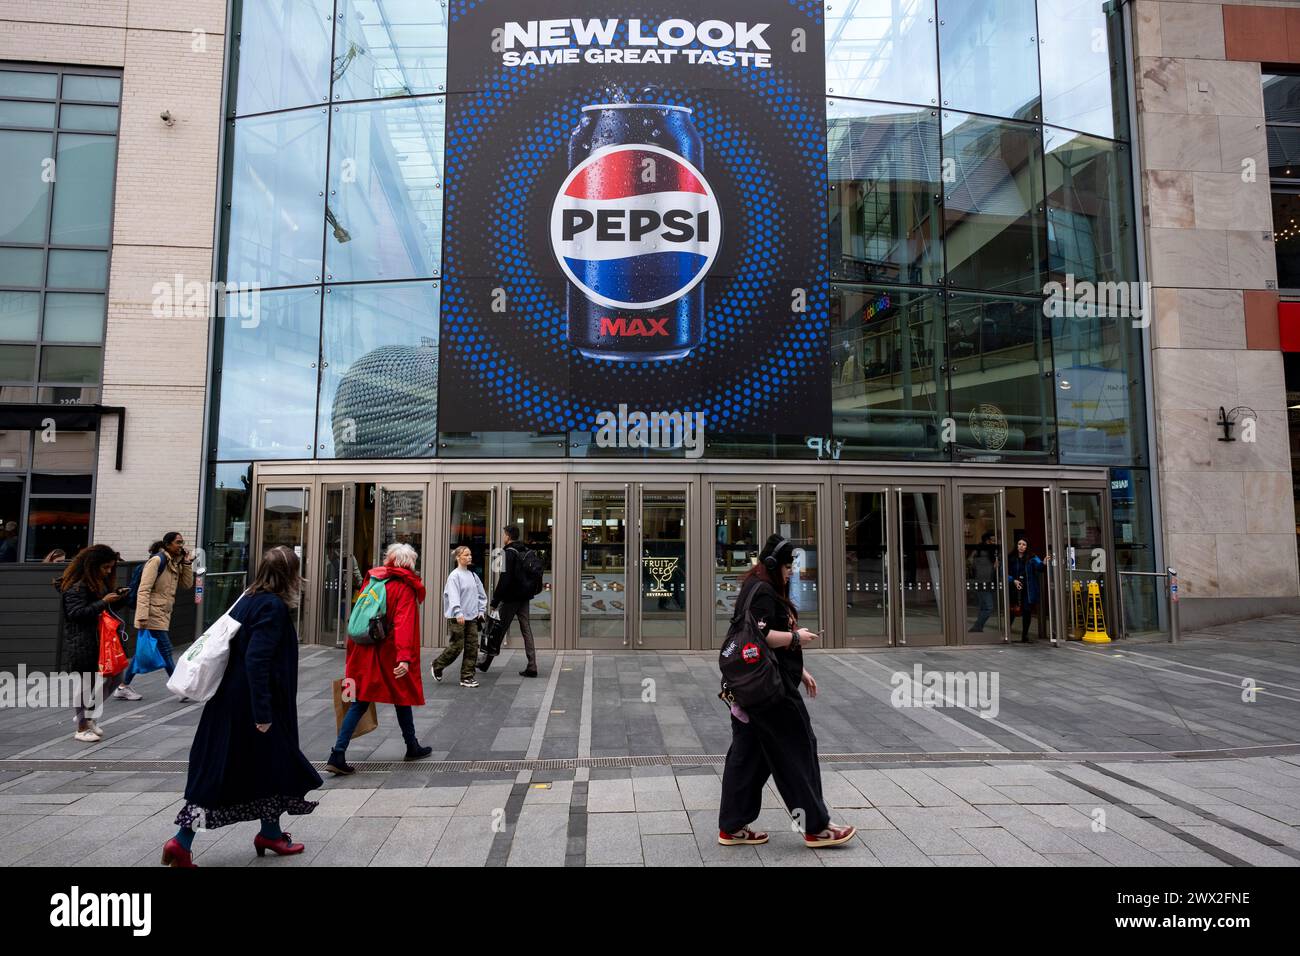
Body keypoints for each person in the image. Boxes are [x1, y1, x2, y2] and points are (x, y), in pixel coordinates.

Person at [162, 546, 322, 868]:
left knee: (267, 767)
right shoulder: (272, 606)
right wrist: (262, 713)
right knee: (223, 773)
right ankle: (181, 840)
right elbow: (257, 660)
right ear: (289, 575)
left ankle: (270, 833)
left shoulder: (249, 597)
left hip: (232, 700)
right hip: (251, 706)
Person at [718, 534, 857, 850]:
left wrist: (801, 670)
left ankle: (732, 826)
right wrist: (796, 638)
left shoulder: (752, 586)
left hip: (750, 689)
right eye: (787, 565)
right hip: (772, 692)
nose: (790, 571)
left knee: (749, 757)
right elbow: (762, 635)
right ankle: (817, 828)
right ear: (772, 564)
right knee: (798, 750)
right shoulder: (764, 591)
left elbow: (754, 639)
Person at [326, 543, 433, 775]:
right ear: (409, 563)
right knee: (401, 695)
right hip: (388, 652)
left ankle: (339, 752)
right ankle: (410, 746)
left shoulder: (374, 580)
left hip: (364, 649)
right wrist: (404, 658)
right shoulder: (404, 587)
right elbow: (404, 625)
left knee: (361, 699)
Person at [55, 544, 127, 742]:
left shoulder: (97, 582)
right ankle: (81, 727)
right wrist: (104, 601)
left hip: (101, 640)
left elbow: (103, 608)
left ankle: (89, 716)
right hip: (83, 641)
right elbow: (76, 613)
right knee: (87, 683)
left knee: (116, 677)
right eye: (105, 567)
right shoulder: (77, 586)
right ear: (92, 565)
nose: (109, 571)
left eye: (111, 567)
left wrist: (119, 597)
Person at [116, 531, 194, 701]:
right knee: (166, 650)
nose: (181, 545)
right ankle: (179, 688)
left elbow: (187, 584)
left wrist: (187, 563)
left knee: (143, 651)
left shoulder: (175, 562)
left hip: (163, 612)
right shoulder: (157, 561)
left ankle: (123, 686)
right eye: (178, 542)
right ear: (168, 544)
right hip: (151, 613)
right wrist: (142, 616)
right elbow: (144, 589)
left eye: (182, 542)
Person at [432, 545, 485, 688]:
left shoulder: (473, 576)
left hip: (472, 617)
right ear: (457, 557)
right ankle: (437, 665)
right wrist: (457, 612)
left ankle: (467, 677)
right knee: (457, 646)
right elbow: (453, 595)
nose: (469, 557)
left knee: (472, 647)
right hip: (457, 618)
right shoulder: (454, 576)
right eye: (466, 555)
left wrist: (481, 610)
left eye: (470, 554)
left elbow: (481, 594)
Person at [490, 525, 538, 678]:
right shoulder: (525, 550)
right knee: (526, 629)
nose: (503, 537)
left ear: (508, 536)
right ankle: (532, 665)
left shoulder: (508, 553)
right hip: (524, 597)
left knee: (498, 628)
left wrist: (495, 601)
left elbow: (504, 580)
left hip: (511, 598)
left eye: (504, 534)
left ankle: (485, 661)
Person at [1007, 537, 1045, 643]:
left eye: (1024, 544)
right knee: (1012, 611)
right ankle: (1006, 634)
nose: (1021, 546)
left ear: (1027, 547)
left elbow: (1040, 567)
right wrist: (1013, 580)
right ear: (1016, 545)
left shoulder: (1032, 557)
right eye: (1019, 544)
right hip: (1014, 587)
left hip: (1028, 589)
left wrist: (1044, 563)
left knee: (1027, 611)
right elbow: (1003, 572)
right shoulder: (1010, 557)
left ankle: (1025, 636)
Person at [968, 530, 999, 633]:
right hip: (984, 583)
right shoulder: (984, 553)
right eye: (993, 540)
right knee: (988, 608)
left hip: (982, 582)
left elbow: (972, 563)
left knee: (983, 607)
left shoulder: (980, 551)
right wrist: (994, 566)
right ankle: (976, 627)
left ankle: (978, 628)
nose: (995, 542)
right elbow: (983, 569)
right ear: (987, 541)